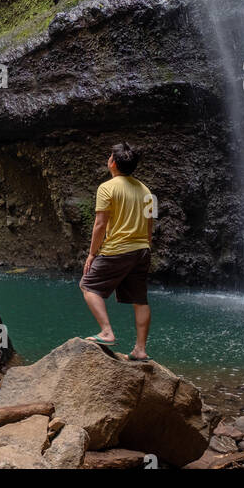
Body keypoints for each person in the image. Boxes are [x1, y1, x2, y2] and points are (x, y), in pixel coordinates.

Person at [79, 142, 154, 360]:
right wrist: (145, 246)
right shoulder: (147, 191)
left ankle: (106, 332)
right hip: (142, 250)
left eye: (110, 156)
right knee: (140, 299)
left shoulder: (107, 188)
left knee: (88, 285)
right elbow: (149, 226)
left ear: (113, 163)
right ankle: (140, 350)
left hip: (118, 249)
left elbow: (100, 224)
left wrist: (92, 254)